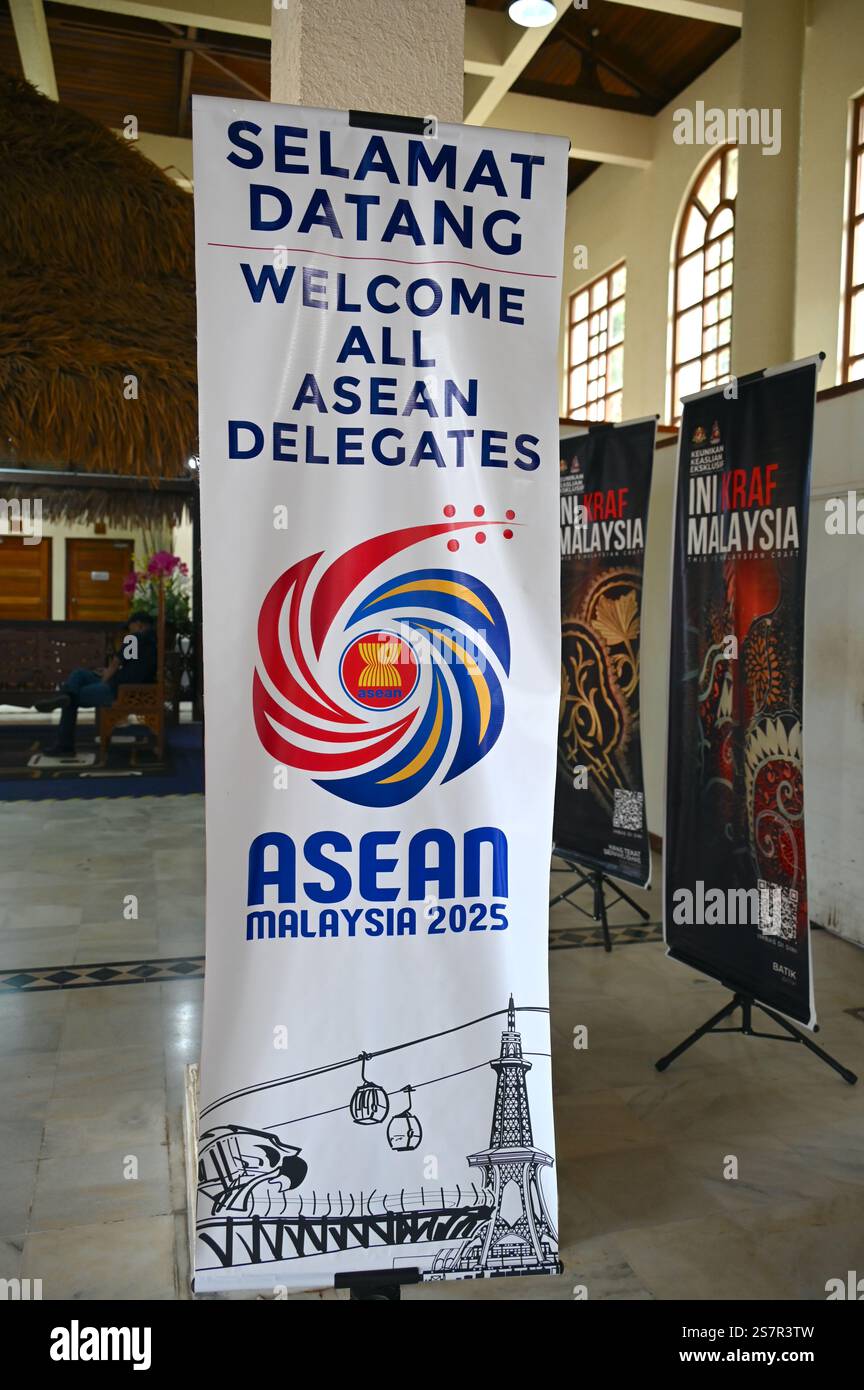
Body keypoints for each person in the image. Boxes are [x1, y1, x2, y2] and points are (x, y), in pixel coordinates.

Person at [34, 611, 158, 757]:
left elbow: (116, 663)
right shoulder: (154, 641)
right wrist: (107, 673)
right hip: (124, 684)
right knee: (79, 674)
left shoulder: (134, 639)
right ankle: (66, 695)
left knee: (71, 699)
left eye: (130, 627)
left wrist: (105, 677)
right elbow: (131, 666)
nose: (128, 630)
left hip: (117, 689)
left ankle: (64, 745)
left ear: (138, 625)